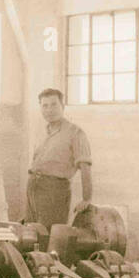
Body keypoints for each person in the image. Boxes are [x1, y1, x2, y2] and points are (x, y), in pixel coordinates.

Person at [24, 87, 92, 229]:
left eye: (54, 105)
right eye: (45, 106)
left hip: (54, 191)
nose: (49, 110)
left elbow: (85, 167)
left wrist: (86, 198)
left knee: (48, 235)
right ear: (41, 108)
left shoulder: (75, 133)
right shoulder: (42, 132)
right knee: (30, 234)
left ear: (63, 106)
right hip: (33, 187)